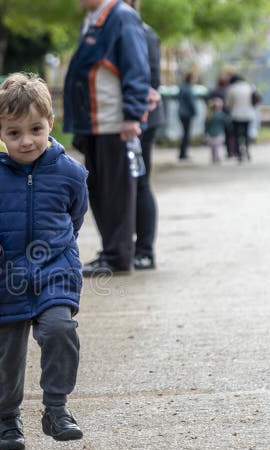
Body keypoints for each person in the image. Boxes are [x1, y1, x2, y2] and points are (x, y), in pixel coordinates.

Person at [0, 73, 89, 450]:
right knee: (7, 353)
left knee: (60, 329)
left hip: (54, 269)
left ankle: (57, 408)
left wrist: (58, 250)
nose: (26, 140)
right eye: (14, 133)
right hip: (4, 275)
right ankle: (8, 419)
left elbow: (74, 217)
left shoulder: (70, 172)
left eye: (36, 129)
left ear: (50, 123)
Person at [63, 0, 150, 276]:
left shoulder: (121, 17)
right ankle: (111, 251)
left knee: (116, 193)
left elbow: (135, 66)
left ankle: (118, 255)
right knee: (100, 191)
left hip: (113, 123)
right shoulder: (94, 19)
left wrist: (133, 115)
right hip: (95, 123)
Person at [123, 0, 162, 270]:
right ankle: (133, 249)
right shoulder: (135, 29)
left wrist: (132, 115)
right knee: (131, 183)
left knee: (140, 181)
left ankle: (145, 249)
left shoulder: (140, 31)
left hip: (142, 119)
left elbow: (150, 80)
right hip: (137, 116)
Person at [225, 73, 256, 163]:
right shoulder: (249, 87)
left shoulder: (232, 89)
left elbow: (228, 104)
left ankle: (239, 153)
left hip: (236, 114)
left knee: (237, 135)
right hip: (248, 114)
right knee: (246, 134)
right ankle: (247, 150)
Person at [177, 72, 197, 160]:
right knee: (186, 134)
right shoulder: (188, 89)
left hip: (181, 113)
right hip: (187, 113)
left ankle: (182, 152)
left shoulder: (182, 87)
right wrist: (195, 112)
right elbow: (191, 102)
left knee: (184, 133)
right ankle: (183, 153)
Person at [204, 97, 229, 164]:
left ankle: (214, 156)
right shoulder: (222, 115)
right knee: (217, 147)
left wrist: (206, 133)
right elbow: (227, 122)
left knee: (213, 147)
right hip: (219, 133)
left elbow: (206, 125)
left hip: (210, 134)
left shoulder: (209, 115)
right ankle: (216, 156)